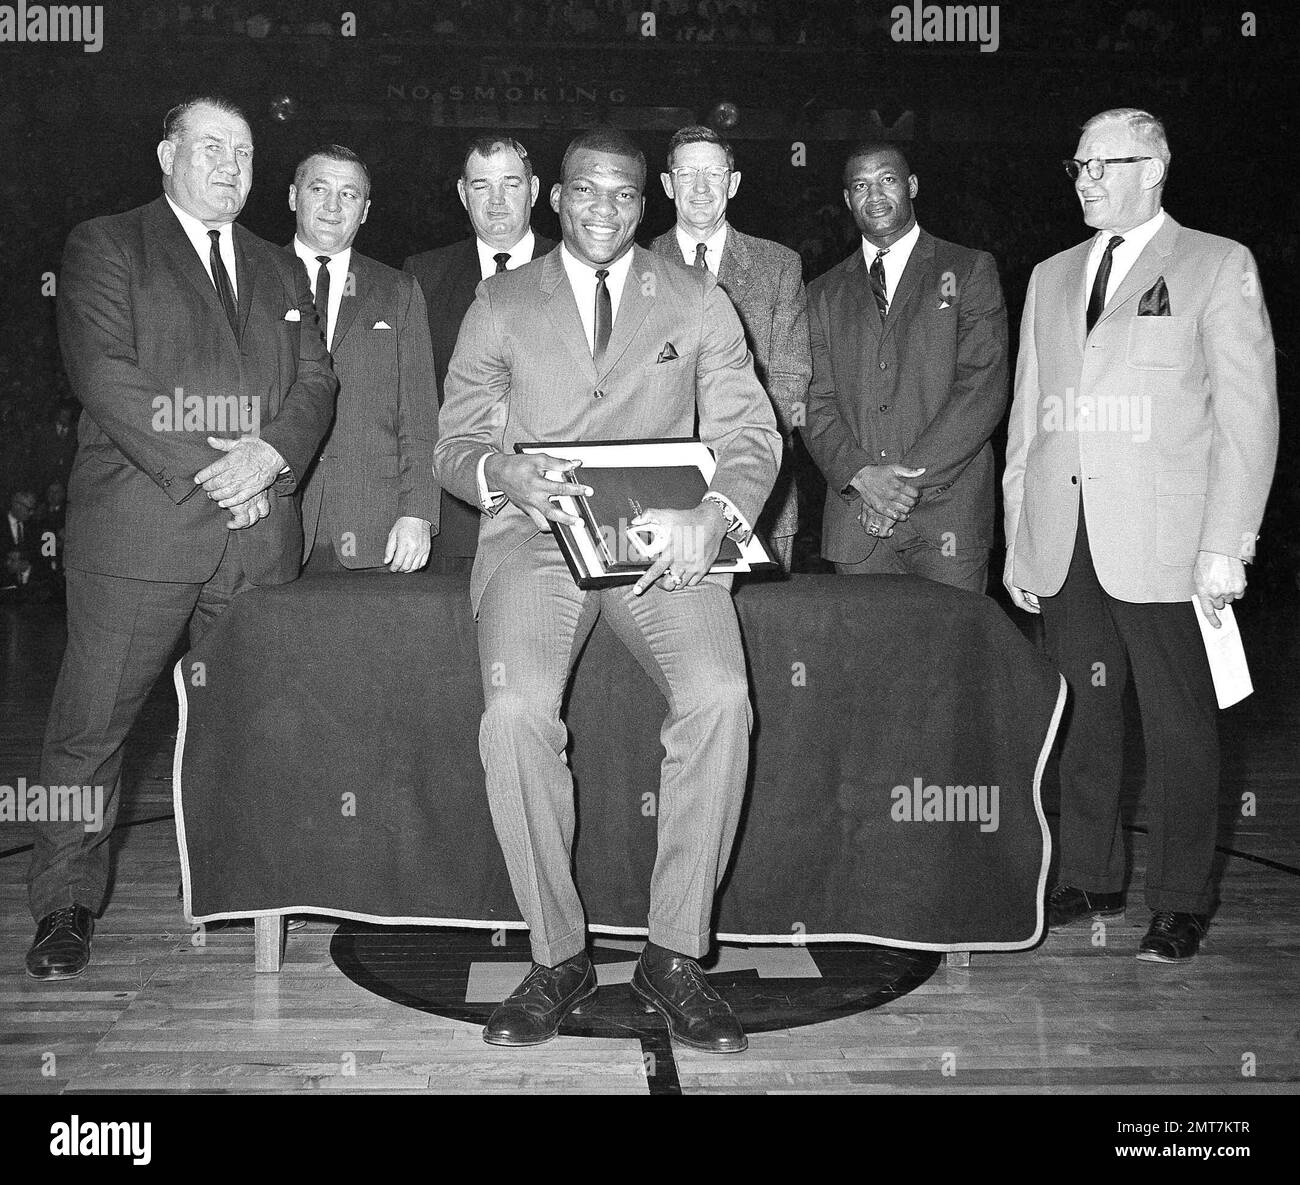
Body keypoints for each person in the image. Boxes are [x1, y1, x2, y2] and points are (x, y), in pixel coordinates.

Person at [435, 126, 780, 1053]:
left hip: (659, 541)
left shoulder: (701, 299)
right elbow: (453, 444)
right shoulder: (500, 300)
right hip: (533, 538)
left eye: (625, 196)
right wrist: (505, 477)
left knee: (721, 698)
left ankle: (675, 954)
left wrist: (720, 513)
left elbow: (752, 435)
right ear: (557, 197)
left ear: (646, 203)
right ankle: (559, 954)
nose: (604, 210)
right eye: (587, 191)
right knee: (512, 713)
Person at [24, 96, 337, 981]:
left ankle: (248, 885)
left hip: (256, 540)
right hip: (140, 534)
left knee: (253, 722)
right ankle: (63, 904)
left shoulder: (283, 268)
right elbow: (106, 378)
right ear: (168, 155)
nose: (231, 164)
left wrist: (272, 455)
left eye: (243, 150)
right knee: (89, 731)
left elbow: (316, 381)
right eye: (210, 147)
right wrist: (222, 469)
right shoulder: (106, 244)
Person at [1003, 108, 1278, 961]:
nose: (1084, 177)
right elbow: (1027, 421)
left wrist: (1226, 540)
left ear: (1154, 168)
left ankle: (1182, 899)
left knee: (1180, 722)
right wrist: (1018, 534)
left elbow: (1248, 416)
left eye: (1103, 163)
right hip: (1064, 537)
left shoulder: (1216, 264)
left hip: (1168, 545)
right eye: (1077, 163)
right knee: (1083, 712)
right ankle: (1091, 870)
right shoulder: (1050, 275)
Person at [805, 143, 1008, 592]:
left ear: (912, 186)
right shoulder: (821, 291)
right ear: (846, 199)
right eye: (860, 185)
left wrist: (897, 488)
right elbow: (813, 401)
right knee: (868, 663)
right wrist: (863, 478)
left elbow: (982, 388)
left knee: (951, 660)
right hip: (856, 526)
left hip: (948, 519)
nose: (874, 194)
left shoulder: (968, 269)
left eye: (887, 180)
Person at [650, 124, 810, 570]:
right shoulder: (636, 266)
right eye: (686, 174)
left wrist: (732, 456)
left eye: (714, 174)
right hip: (662, 489)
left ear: (733, 183)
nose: (700, 188)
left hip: (760, 497)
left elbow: (790, 381)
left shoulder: (779, 266)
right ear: (667, 185)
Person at [404, 136, 555, 571]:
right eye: (481, 185)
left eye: (510, 184)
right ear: (461, 193)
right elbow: (413, 401)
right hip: (456, 516)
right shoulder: (422, 277)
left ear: (535, 189)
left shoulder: (577, 270)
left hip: (556, 510)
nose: (496, 201)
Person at [289, 145, 439, 572]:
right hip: (273, 518)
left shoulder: (398, 291)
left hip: (376, 526)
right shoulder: (257, 277)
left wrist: (419, 514)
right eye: (319, 188)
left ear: (366, 210)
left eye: (349, 195)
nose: (333, 206)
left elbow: (421, 413)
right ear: (293, 197)